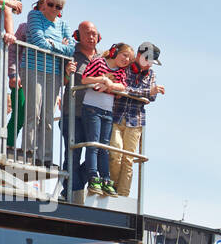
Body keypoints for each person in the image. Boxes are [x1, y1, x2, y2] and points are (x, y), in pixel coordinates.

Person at [20, 0, 76, 167]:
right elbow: (38, 42)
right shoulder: (34, 16)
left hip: (55, 73)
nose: (54, 9)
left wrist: (53, 44)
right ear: (44, 2)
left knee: (48, 117)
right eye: (51, 4)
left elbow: (71, 50)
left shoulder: (64, 25)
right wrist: (59, 45)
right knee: (33, 114)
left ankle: (45, 158)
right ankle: (28, 154)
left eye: (58, 7)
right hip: (32, 68)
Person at [109, 41, 163, 198]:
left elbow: (152, 97)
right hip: (117, 116)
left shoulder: (151, 74)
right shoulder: (125, 67)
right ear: (138, 56)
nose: (150, 65)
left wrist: (146, 92)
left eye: (152, 62)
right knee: (114, 154)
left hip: (136, 120)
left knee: (128, 160)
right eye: (148, 60)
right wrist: (146, 92)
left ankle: (122, 195)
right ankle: (111, 189)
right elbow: (122, 87)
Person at [80, 43, 133, 197]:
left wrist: (110, 85)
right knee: (94, 145)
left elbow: (122, 86)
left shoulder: (121, 71)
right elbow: (85, 79)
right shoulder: (99, 62)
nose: (126, 60)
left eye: (129, 58)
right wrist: (103, 79)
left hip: (107, 111)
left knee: (104, 147)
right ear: (114, 52)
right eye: (124, 55)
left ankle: (105, 179)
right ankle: (93, 177)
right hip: (92, 108)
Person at [63, 20, 100, 200]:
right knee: (73, 154)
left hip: (95, 115)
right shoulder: (70, 53)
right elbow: (60, 81)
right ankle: (70, 193)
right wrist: (66, 72)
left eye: (94, 33)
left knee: (99, 153)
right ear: (79, 35)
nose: (91, 37)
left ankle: (75, 187)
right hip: (73, 113)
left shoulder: (103, 58)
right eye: (87, 33)